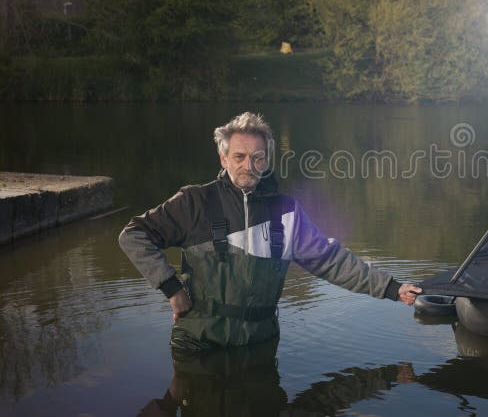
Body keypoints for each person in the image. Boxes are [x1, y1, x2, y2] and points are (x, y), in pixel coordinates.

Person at [119, 112, 421, 352]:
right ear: (223, 159)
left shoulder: (286, 211)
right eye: (239, 157)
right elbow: (134, 235)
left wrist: (393, 289)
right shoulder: (195, 201)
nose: (249, 166)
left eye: (258, 157)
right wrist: (172, 289)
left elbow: (332, 261)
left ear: (267, 160)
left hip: (260, 346)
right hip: (199, 345)